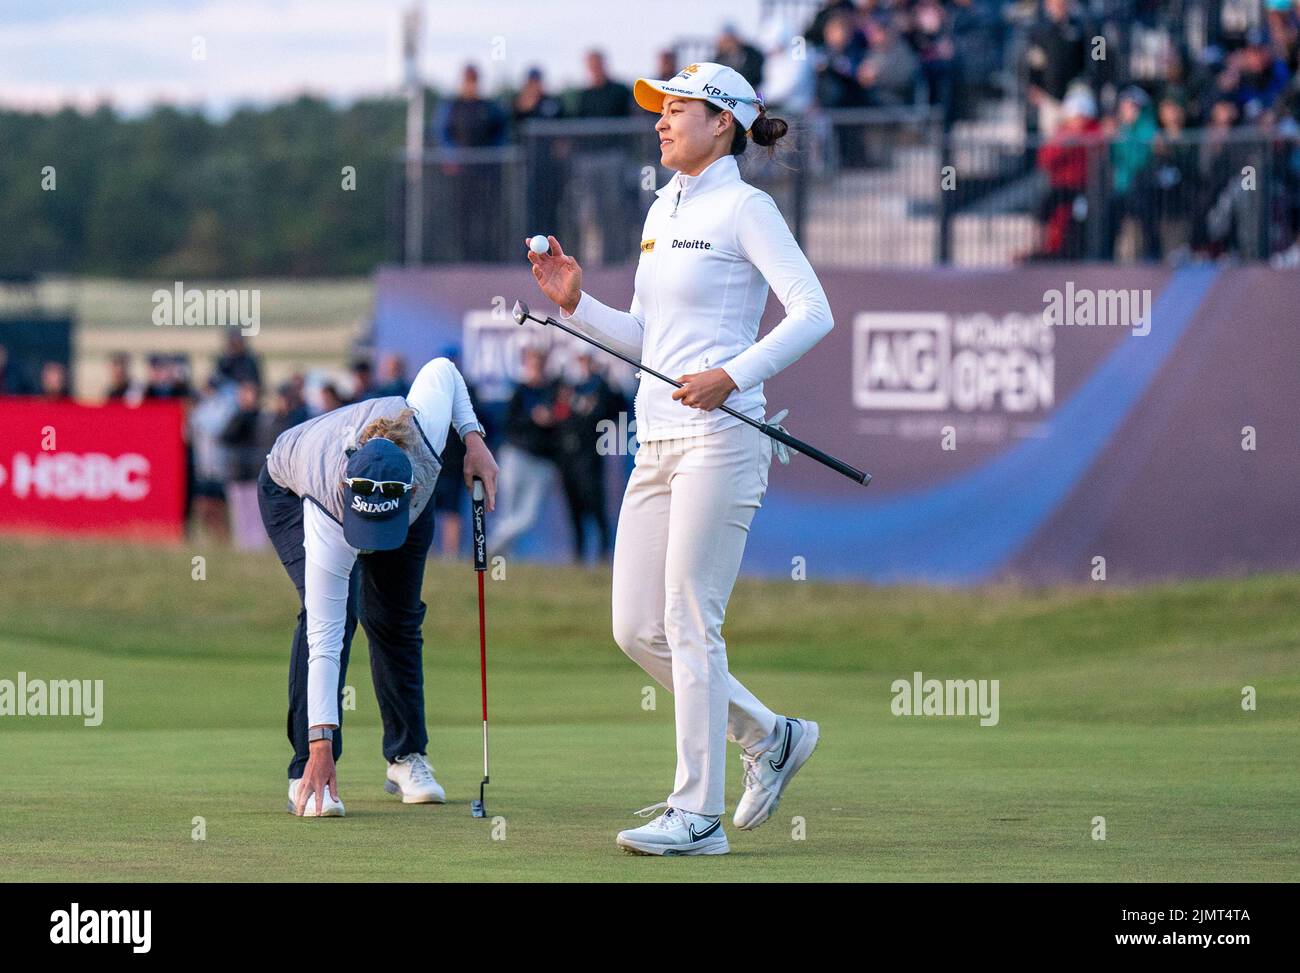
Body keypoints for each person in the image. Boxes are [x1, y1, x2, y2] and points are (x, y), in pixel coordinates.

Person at [526, 62, 831, 856]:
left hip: (724, 437)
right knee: (636, 627)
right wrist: (575, 305)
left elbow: (813, 311)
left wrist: (734, 373)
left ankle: (695, 814)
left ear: (722, 122)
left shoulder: (746, 207)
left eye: (677, 109)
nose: (660, 121)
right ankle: (771, 734)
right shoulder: (663, 206)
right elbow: (647, 344)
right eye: (659, 111)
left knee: (691, 620)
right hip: (653, 439)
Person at [257, 357, 498, 817]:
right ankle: (307, 768)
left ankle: (406, 758)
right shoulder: (328, 504)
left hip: (398, 490)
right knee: (330, 615)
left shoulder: (424, 441)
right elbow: (323, 641)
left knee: (395, 618)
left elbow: (443, 370)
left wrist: (473, 438)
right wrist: (320, 742)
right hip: (289, 488)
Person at [486, 347, 563, 556]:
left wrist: (550, 419)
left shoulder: (553, 390)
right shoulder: (518, 390)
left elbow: (563, 419)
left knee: (528, 516)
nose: (536, 367)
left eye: (540, 362)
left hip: (542, 460)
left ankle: (487, 546)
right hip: (515, 454)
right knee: (507, 511)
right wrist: (533, 418)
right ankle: (503, 562)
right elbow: (505, 422)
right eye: (532, 362)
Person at [556, 352, 622, 563]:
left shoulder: (600, 386)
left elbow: (613, 408)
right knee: (573, 505)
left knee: (595, 502)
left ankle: (604, 552)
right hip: (567, 455)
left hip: (590, 454)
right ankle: (579, 553)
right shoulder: (565, 385)